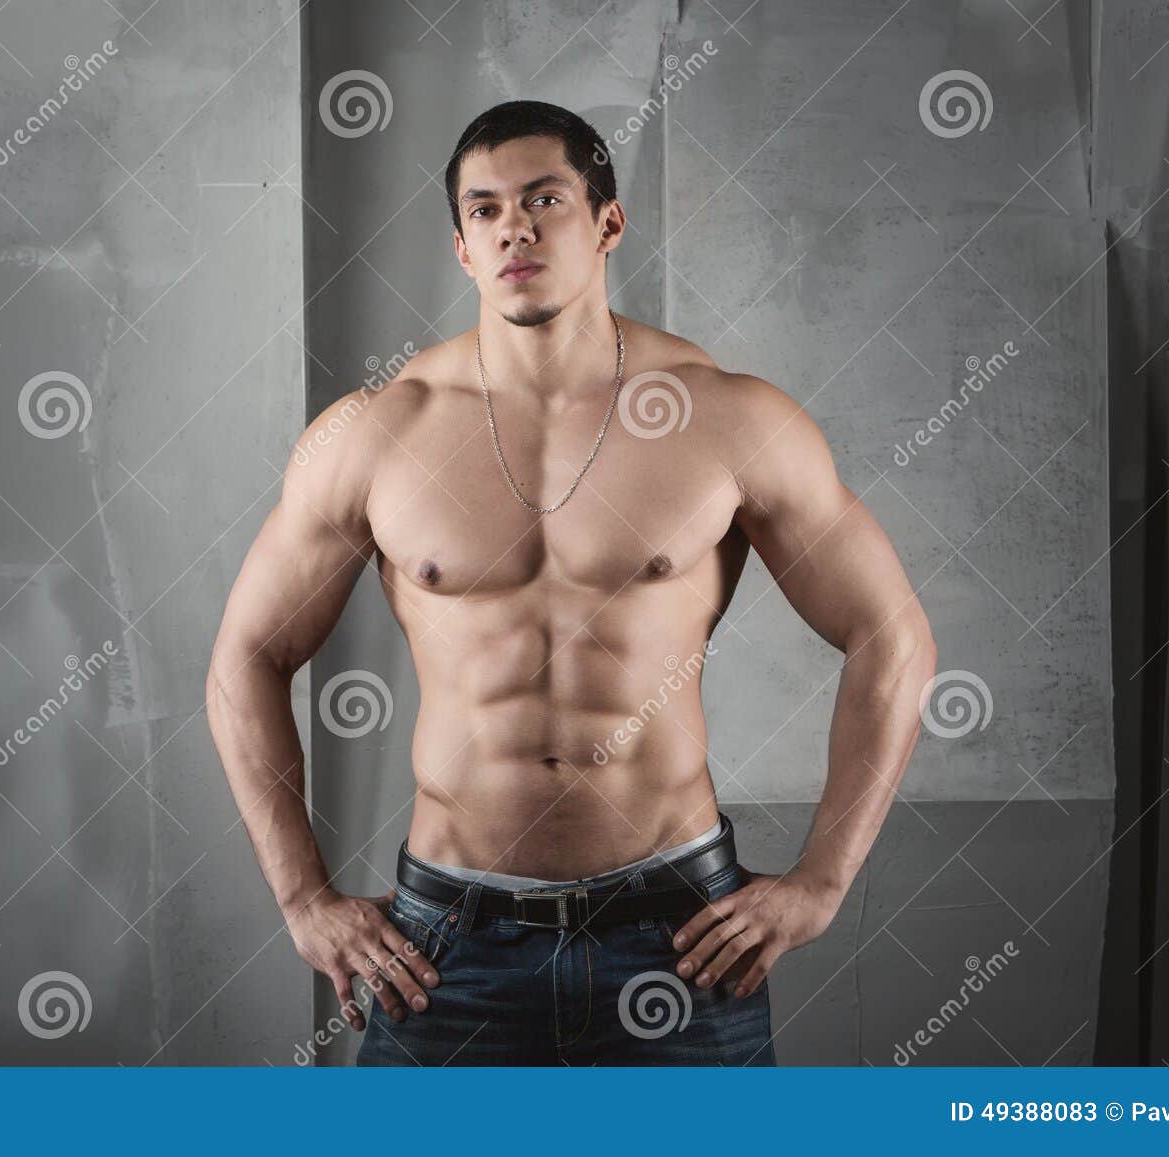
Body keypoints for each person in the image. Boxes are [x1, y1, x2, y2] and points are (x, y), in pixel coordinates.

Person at [206, 100, 937, 1065]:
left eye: (545, 199)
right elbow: (246, 659)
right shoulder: (377, 433)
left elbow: (893, 634)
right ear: (463, 248)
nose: (514, 225)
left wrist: (822, 881)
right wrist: (304, 900)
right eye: (485, 210)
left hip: (677, 939)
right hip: (445, 944)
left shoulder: (726, 418)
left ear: (607, 223)